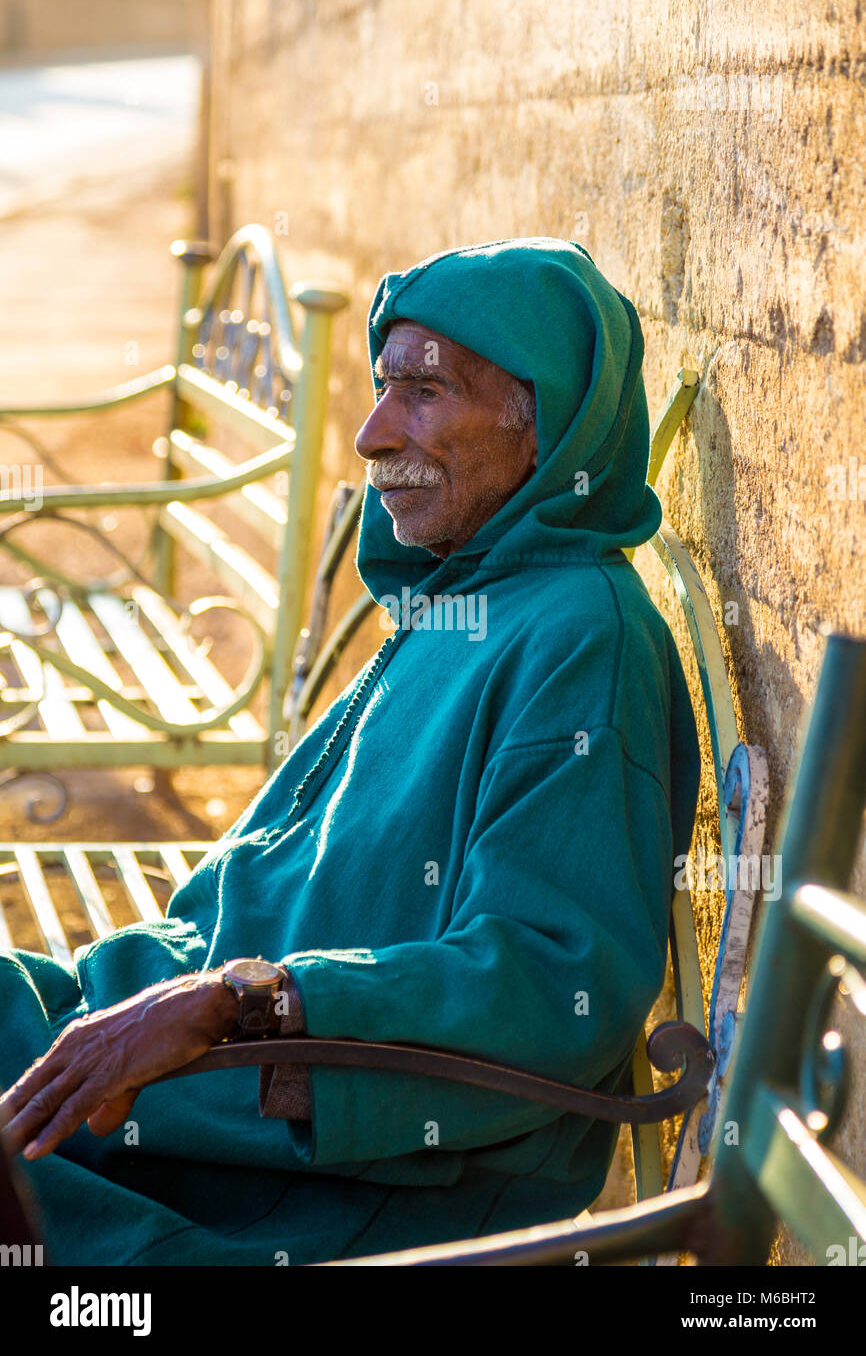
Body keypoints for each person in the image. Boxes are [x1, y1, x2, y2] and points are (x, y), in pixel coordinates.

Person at [0, 237, 700, 1265]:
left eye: (424, 391)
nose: (372, 434)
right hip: (201, 1060)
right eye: (382, 387)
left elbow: (554, 985)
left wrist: (247, 998)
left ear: (543, 422)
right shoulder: (468, 597)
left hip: (323, 1165)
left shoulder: (577, 637)